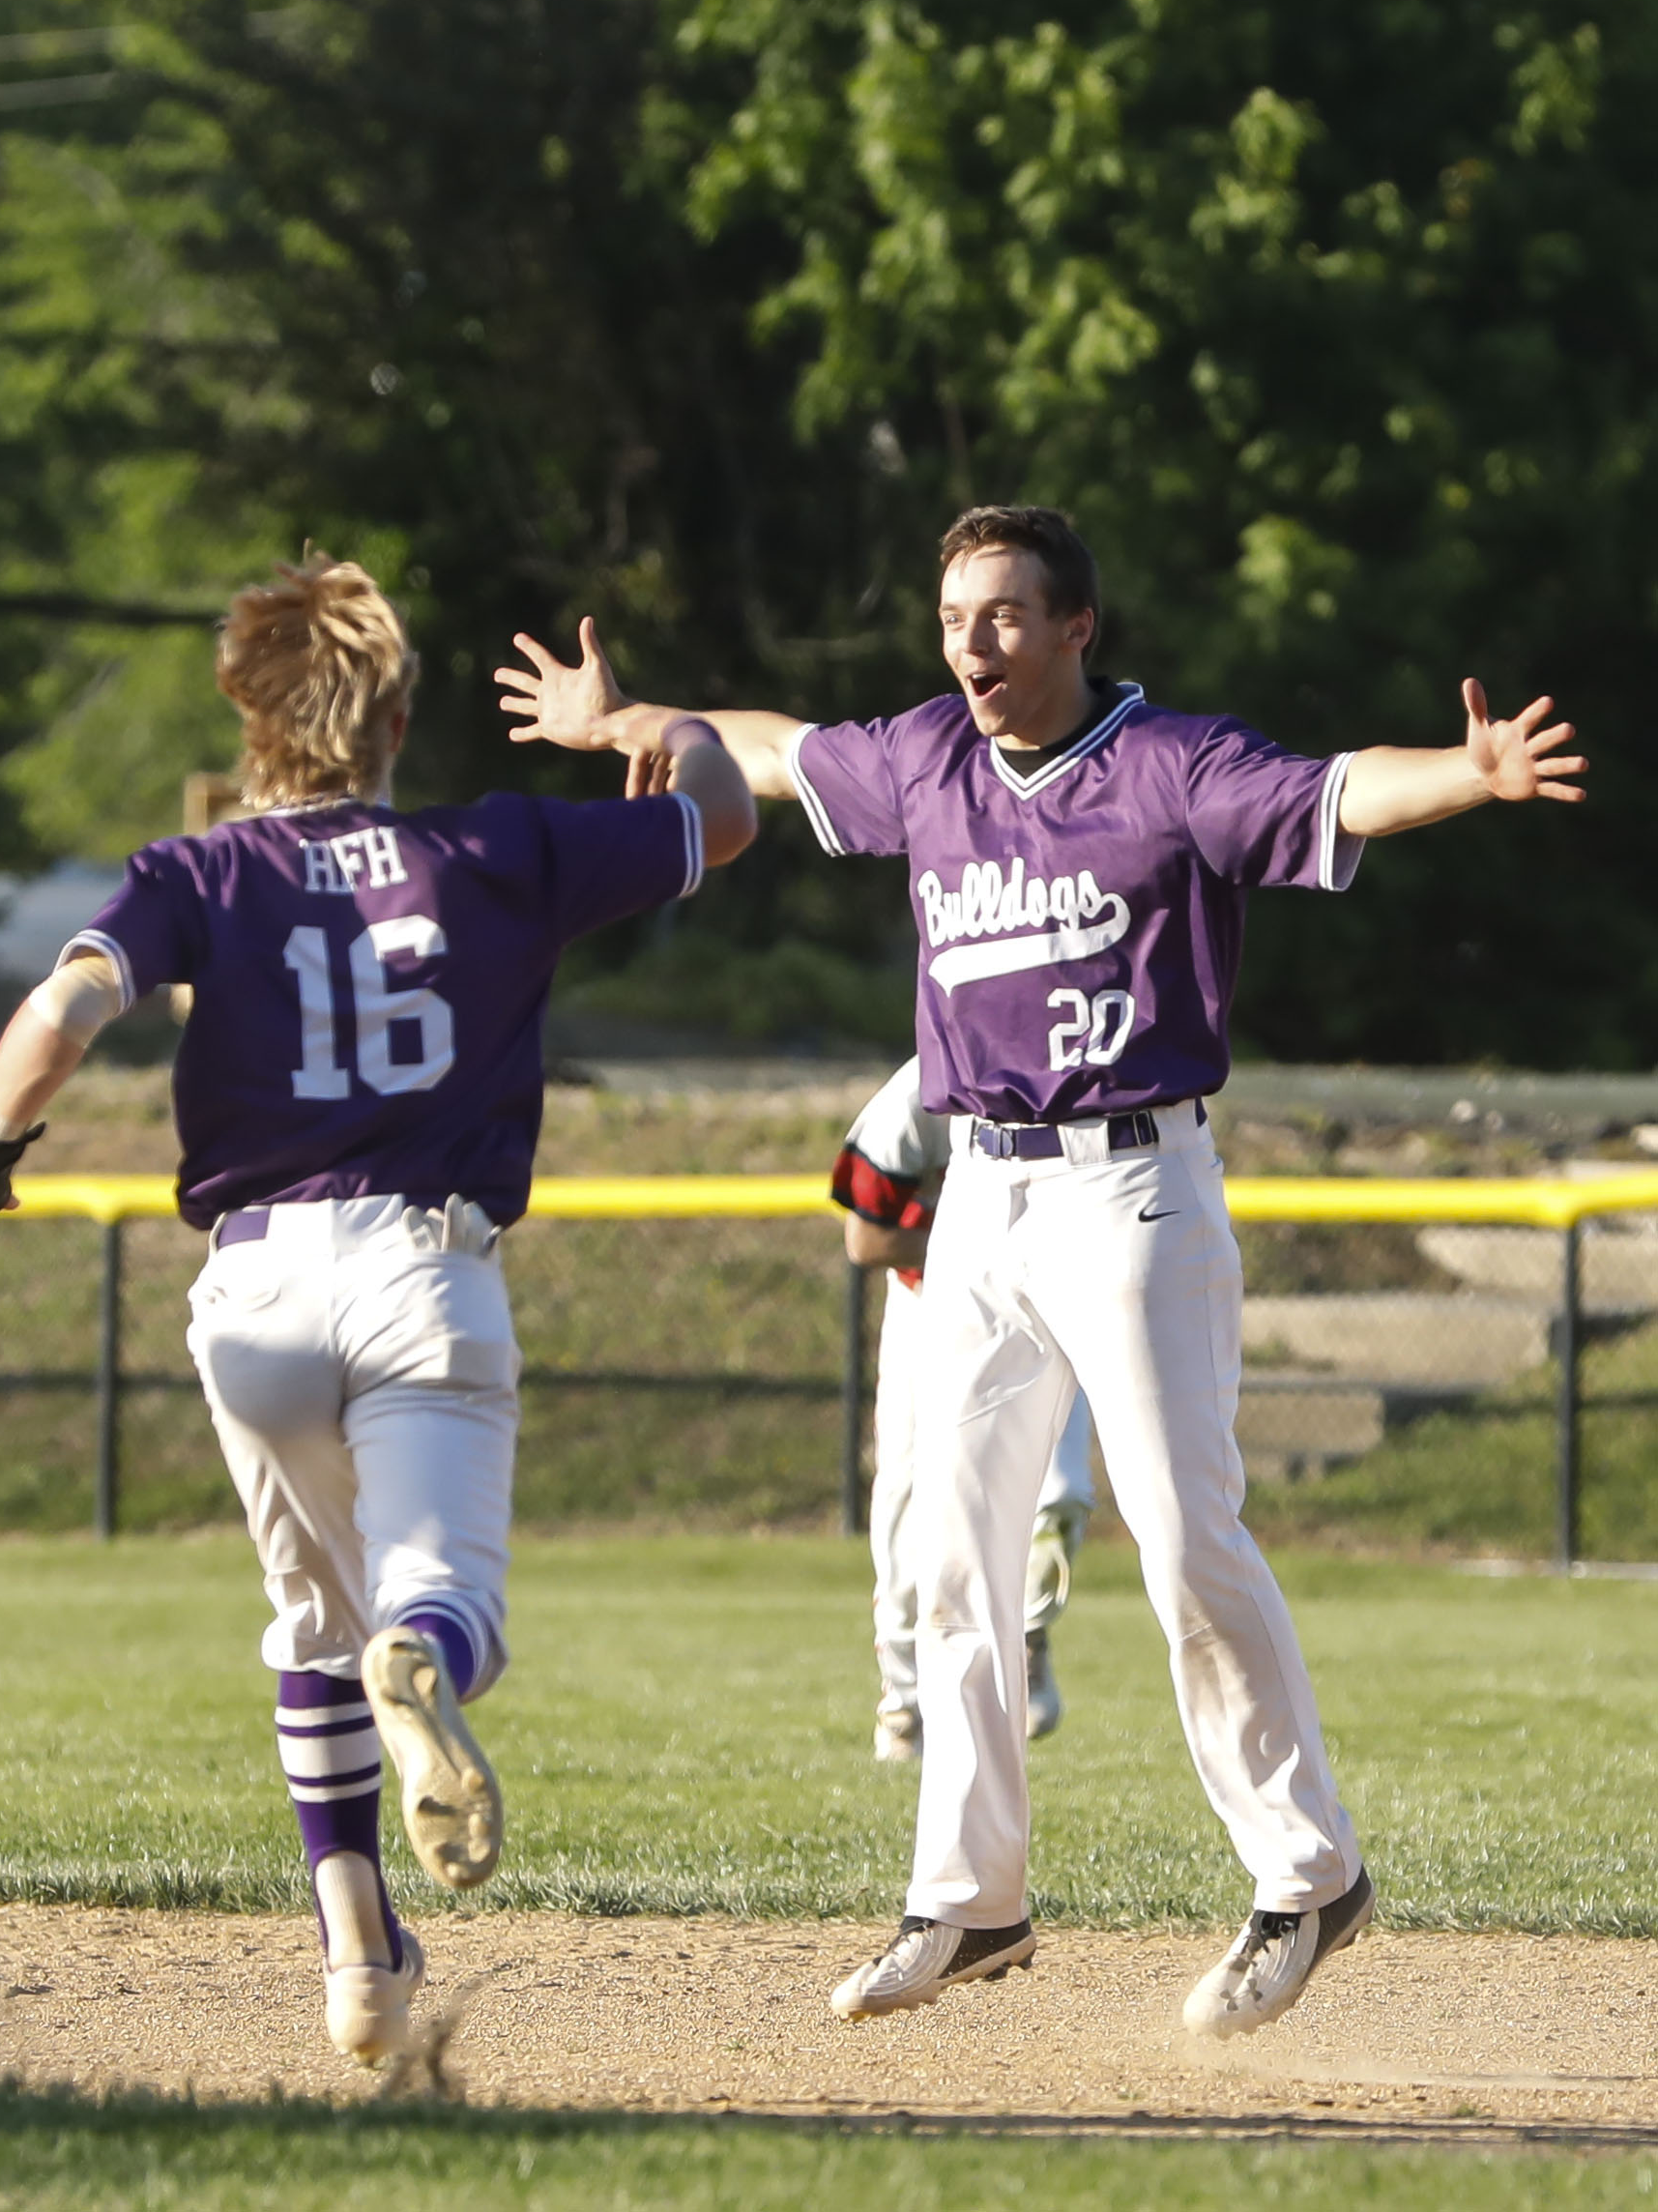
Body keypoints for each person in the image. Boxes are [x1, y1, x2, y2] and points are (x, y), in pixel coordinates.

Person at [500, 502, 1585, 2034]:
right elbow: (773, 743)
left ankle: (1304, 1873)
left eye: (1006, 614)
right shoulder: (927, 760)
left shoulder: (1170, 767)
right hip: (980, 1201)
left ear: (1078, 625)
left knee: (1179, 1535)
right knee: (948, 1553)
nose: (973, 644)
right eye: (955, 618)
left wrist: (1464, 778)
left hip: (1132, 1186)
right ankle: (968, 1897)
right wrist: (622, 715)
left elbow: (1336, 789)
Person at [0, 552, 758, 2081]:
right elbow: (720, 811)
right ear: (390, 716)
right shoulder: (492, 846)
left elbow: (60, 1015)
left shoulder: (192, 876)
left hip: (250, 1285)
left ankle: (356, 1956)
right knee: (440, 1600)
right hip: (419, 1261)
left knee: (308, 1627)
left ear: (247, 716)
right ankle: (424, 1659)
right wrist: (642, 718)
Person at [835, 1057, 1099, 1761]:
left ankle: (1028, 1637)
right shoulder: (923, 1086)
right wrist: (982, 1249)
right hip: (933, 1305)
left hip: (1048, 1301)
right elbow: (864, 1237)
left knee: (1061, 1491)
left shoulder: (1082, 1064)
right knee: (908, 1520)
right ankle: (903, 1702)